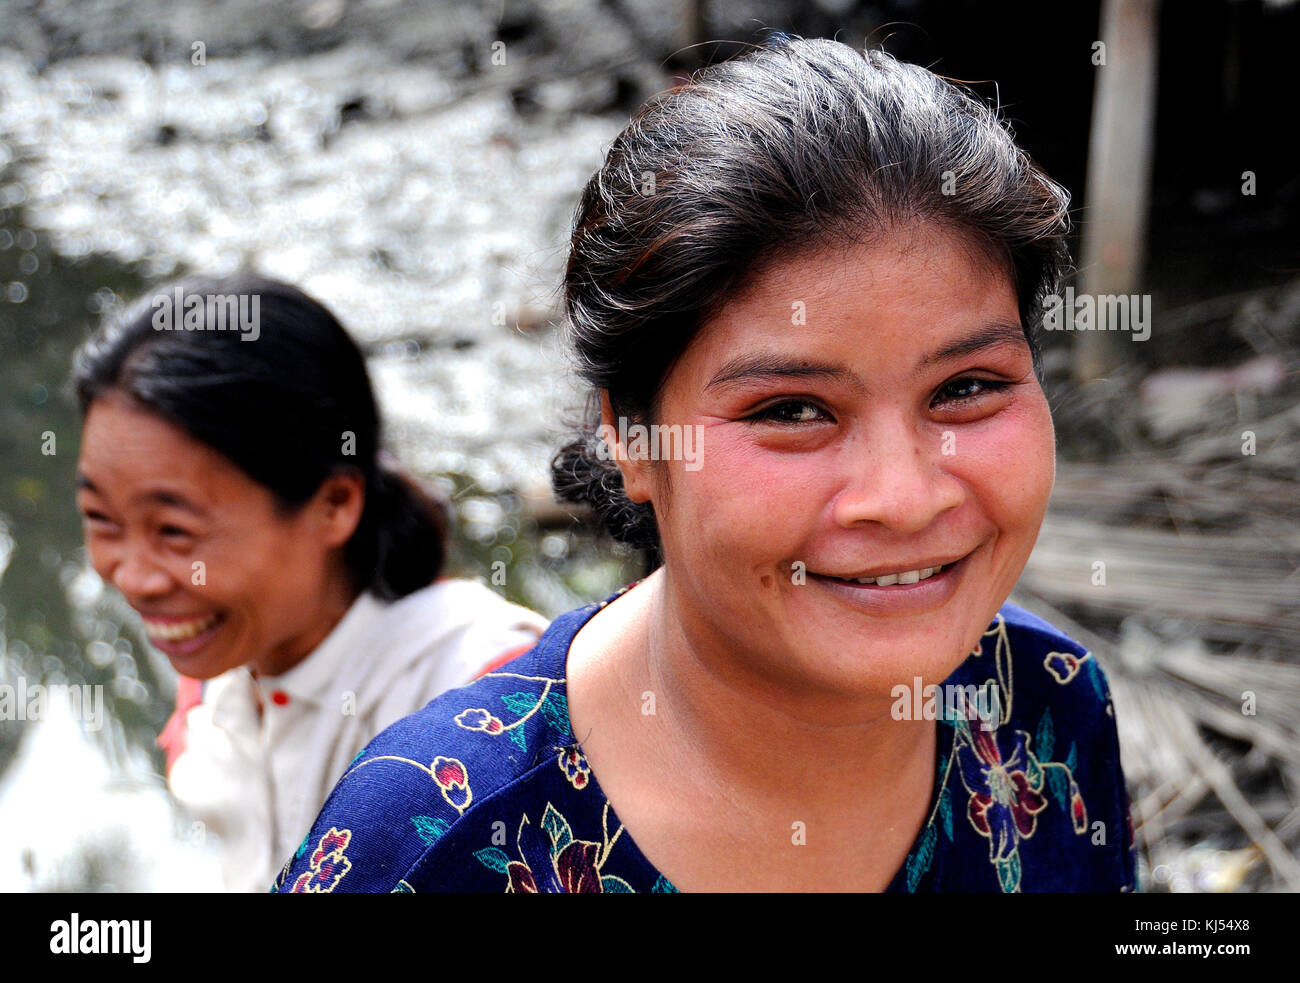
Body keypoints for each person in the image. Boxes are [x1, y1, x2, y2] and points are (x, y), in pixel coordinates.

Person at [272, 36, 1136, 893]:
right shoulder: (425, 846)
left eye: (967, 388)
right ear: (633, 439)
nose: (904, 497)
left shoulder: (1048, 709)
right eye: (792, 410)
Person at [70, 273, 548, 891]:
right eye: (101, 520)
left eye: (174, 531)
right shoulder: (217, 667)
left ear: (333, 504)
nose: (132, 577)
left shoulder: (493, 707)